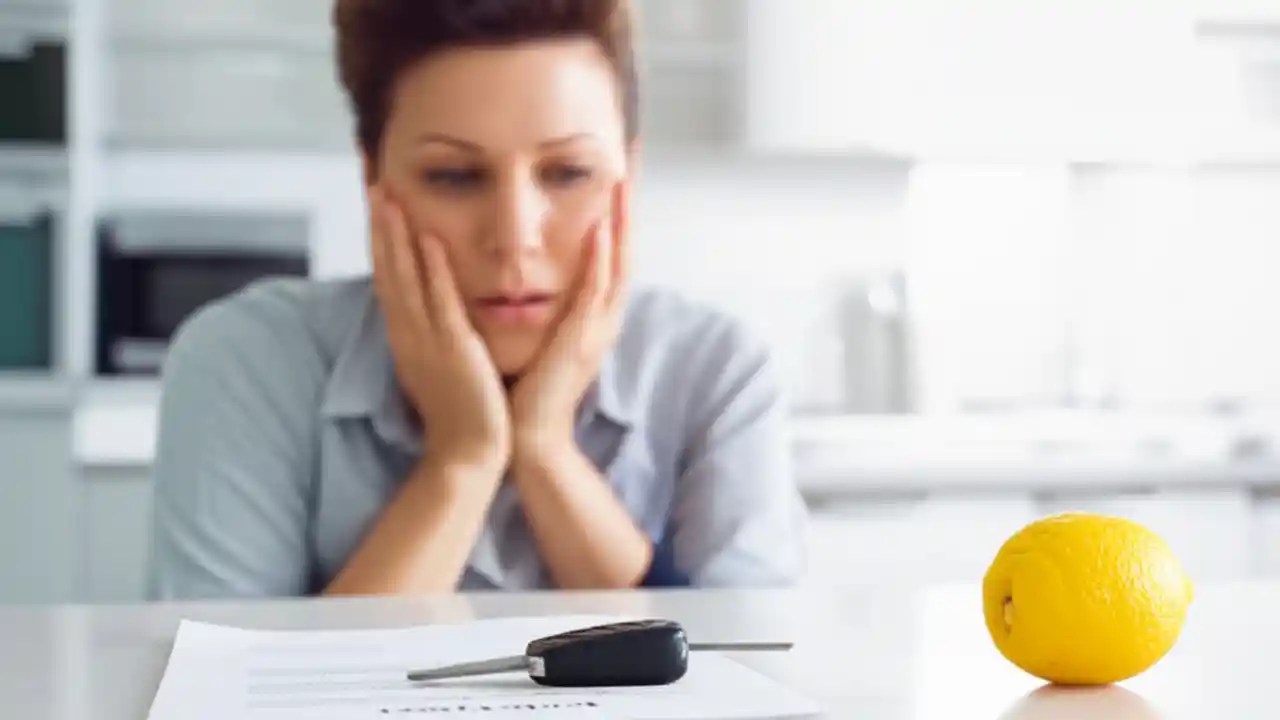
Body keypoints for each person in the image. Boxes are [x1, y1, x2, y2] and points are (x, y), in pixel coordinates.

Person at [147, 0, 806, 599]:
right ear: (372, 175)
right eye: (455, 176)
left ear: (626, 178)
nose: (515, 237)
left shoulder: (717, 371)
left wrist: (545, 450)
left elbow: (747, 679)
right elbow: (227, 689)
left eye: (569, 172)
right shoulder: (247, 359)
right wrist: (461, 460)